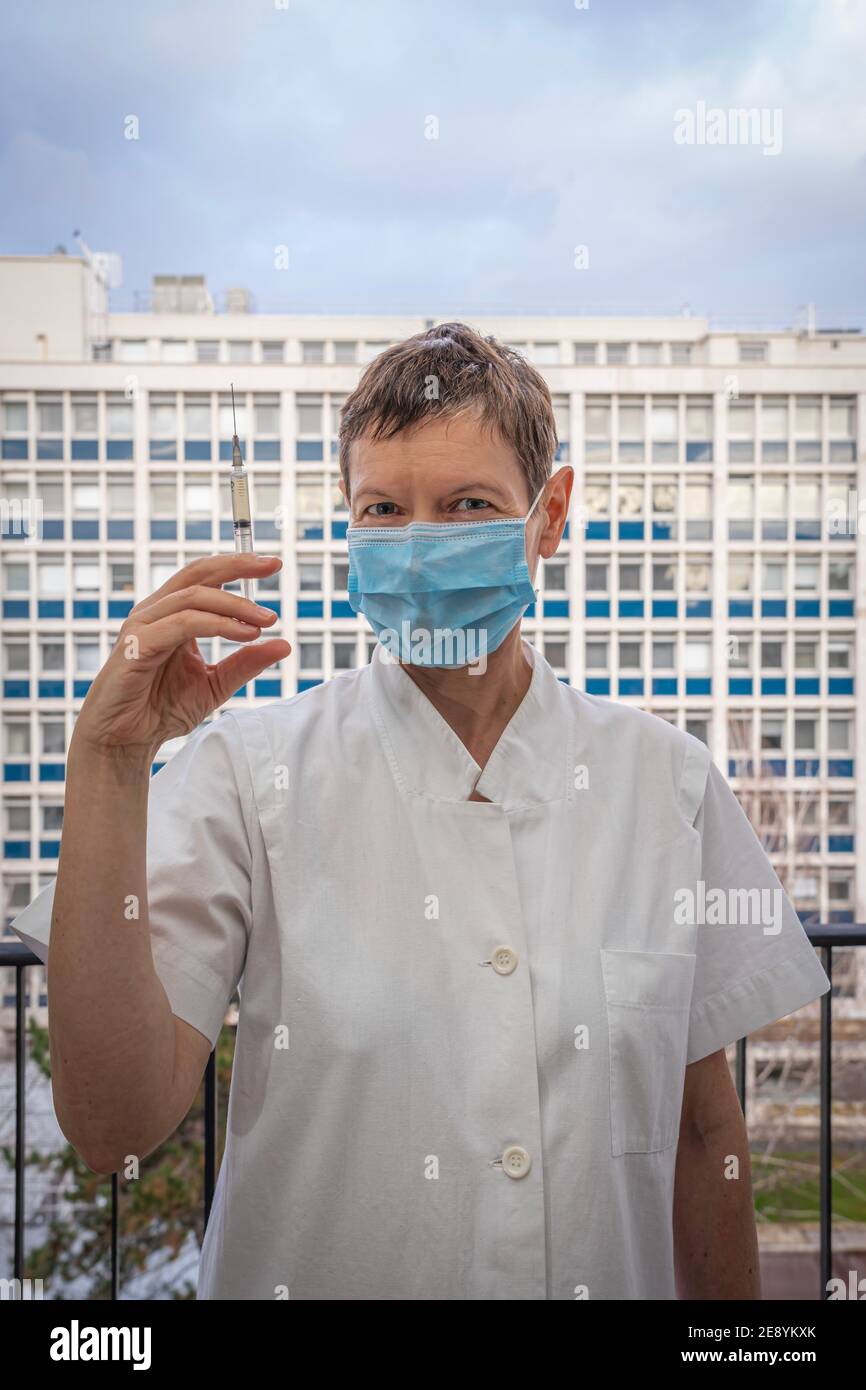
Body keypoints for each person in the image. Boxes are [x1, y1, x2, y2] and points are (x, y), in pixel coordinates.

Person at [13, 322, 830, 1301]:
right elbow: (112, 1124)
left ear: (549, 513)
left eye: (467, 505)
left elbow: (703, 1136)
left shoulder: (667, 782)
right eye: (384, 509)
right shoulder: (246, 770)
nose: (419, 544)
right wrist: (109, 763)